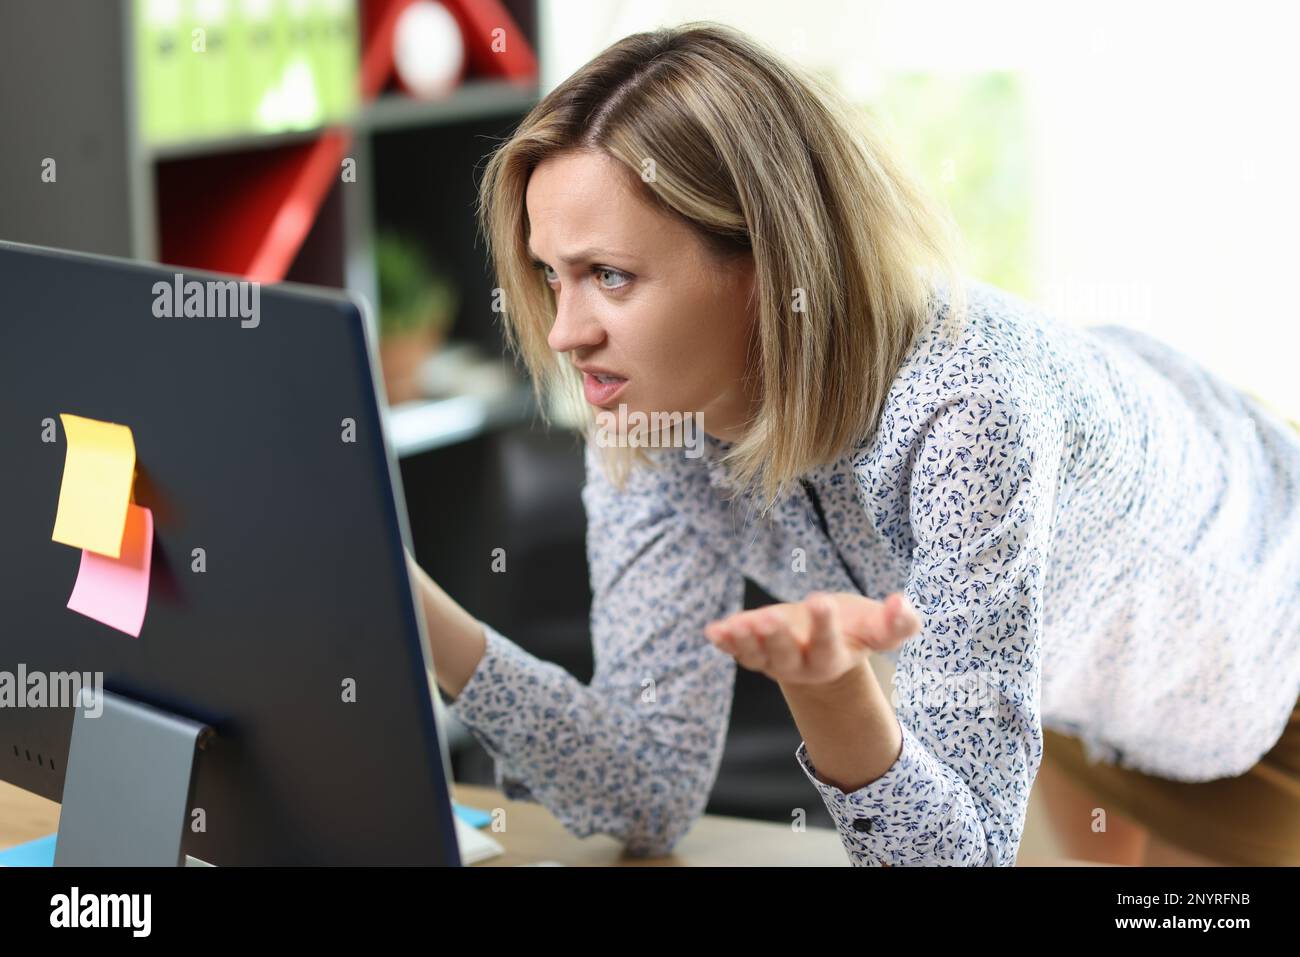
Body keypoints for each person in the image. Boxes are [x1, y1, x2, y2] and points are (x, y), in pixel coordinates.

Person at [406, 21, 1300, 866]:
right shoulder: (652, 413)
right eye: (549, 276)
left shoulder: (967, 411)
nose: (564, 333)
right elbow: (648, 788)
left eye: (610, 275)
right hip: (1076, 657)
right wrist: (411, 606)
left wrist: (832, 692)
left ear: (768, 260)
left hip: (1261, 624)